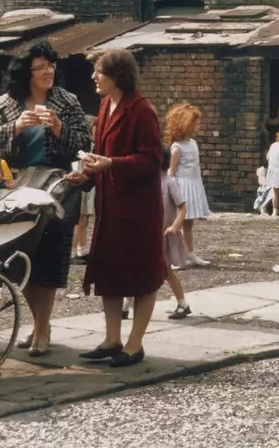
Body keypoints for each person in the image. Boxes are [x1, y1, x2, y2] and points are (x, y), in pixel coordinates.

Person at [0, 41, 92, 358]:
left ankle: (43, 328)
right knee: (22, 259)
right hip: (17, 188)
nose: (48, 72)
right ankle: (37, 324)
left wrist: (59, 127)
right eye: (41, 67)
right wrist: (15, 127)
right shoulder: (6, 104)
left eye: (51, 66)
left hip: (57, 187)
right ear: (26, 73)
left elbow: (83, 144)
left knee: (49, 256)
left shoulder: (66, 100)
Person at [74, 49, 165, 368]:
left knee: (142, 275)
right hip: (109, 206)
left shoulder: (141, 110)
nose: (93, 77)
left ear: (117, 76)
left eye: (99, 72)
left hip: (138, 210)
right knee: (109, 274)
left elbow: (153, 159)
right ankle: (112, 339)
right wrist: (84, 171)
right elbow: (100, 152)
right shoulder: (104, 105)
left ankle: (134, 345)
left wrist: (112, 163)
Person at [164, 103, 212, 268]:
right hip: (182, 187)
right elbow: (171, 172)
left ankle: (190, 254)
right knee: (179, 222)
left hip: (193, 184)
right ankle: (176, 257)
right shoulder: (176, 148)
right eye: (195, 123)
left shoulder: (192, 143)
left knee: (189, 223)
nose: (198, 126)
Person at [162, 170, 192, 319]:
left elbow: (182, 207)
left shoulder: (169, 182)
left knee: (165, 270)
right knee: (141, 269)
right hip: (149, 234)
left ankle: (183, 303)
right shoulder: (146, 182)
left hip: (164, 234)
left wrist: (175, 226)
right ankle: (126, 305)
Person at [72, 114, 99, 265]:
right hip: (82, 183)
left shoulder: (95, 146)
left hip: (89, 185)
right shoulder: (84, 147)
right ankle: (74, 252)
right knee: (80, 220)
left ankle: (82, 250)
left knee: (85, 220)